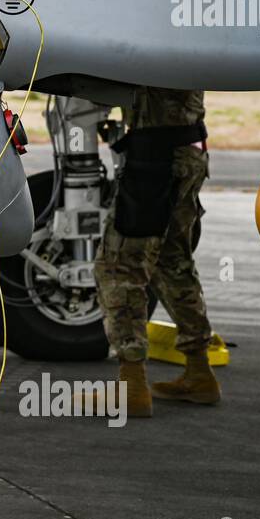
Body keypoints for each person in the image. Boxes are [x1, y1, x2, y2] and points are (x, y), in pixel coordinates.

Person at [94, 87, 220, 418]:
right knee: (172, 262)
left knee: (119, 268)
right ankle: (199, 370)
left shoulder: (157, 40)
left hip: (155, 159)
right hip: (187, 150)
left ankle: (131, 386)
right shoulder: (194, 37)